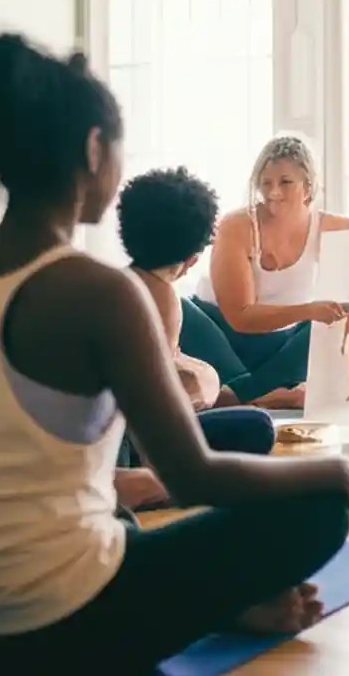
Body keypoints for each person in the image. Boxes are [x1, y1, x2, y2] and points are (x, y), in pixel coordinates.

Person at [0, 31, 349, 675]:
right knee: (318, 506)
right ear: (92, 149)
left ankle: (216, 603)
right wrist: (336, 474)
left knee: (106, 512)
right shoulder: (103, 292)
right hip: (42, 630)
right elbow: (193, 475)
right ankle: (217, 603)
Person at [185, 134, 349, 409]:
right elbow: (240, 316)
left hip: (275, 346)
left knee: (342, 318)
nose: (273, 192)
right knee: (175, 306)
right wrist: (309, 310)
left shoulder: (324, 225)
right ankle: (260, 392)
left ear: (308, 187)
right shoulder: (237, 226)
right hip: (220, 332)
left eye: (285, 182)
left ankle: (241, 393)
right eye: (266, 183)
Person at [112, 166, 281, 510]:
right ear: (192, 259)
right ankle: (148, 483)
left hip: (121, 438)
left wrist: (202, 376)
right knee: (256, 427)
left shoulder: (120, 281)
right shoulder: (161, 298)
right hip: (129, 446)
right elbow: (146, 404)